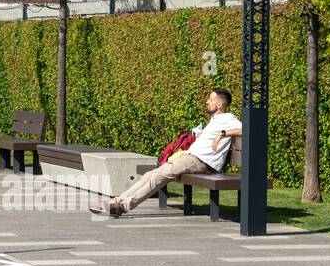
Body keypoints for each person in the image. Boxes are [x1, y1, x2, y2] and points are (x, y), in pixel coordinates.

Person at [91, 88, 242, 217]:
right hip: (190, 157)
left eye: (211, 99)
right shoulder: (216, 119)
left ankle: (123, 206)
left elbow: (246, 129)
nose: (207, 101)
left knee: (159, 176)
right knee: (150, 175)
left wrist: (222, 133)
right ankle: (117, 201)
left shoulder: (228, 118)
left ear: (220, 104)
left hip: (200, 161)